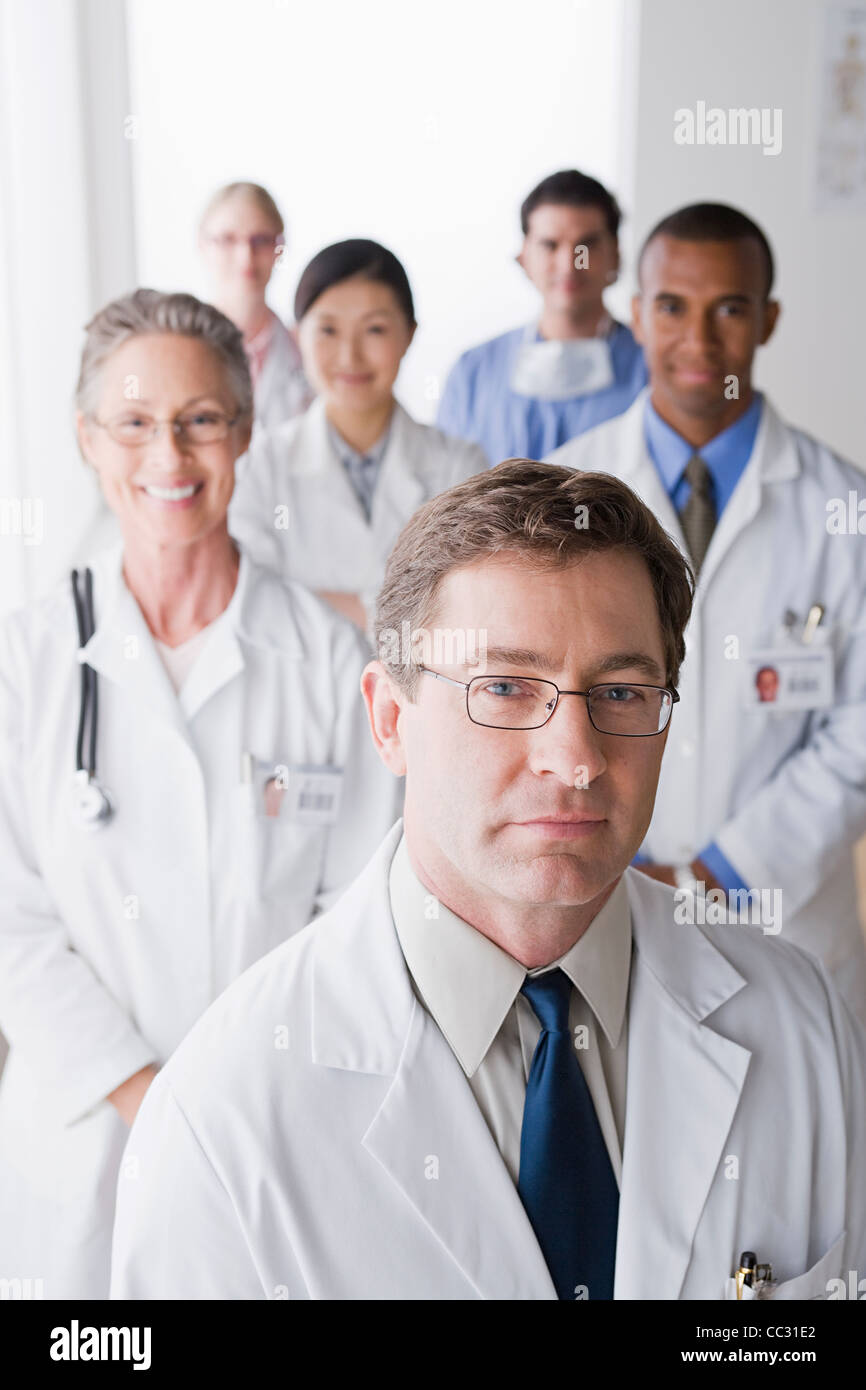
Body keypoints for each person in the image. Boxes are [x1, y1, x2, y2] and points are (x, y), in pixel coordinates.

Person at [111, 462, 866, 1301]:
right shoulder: (223, 1118)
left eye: (620, 691)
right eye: (505, 688)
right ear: (391, 721)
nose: (576, 758)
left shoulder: (801, 1024)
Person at [0, 289, 398, 1299]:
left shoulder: (324, 659)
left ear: (247, 431)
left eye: (200, 421)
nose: (168, 457)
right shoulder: (27, 660)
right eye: (133, 423)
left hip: (271, 1131)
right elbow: (14, 925)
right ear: (89, 439)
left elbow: (354, 917)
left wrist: (223, 1099)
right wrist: (149, 1094)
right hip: (82, 1143)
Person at [547, 203, 866, 1026]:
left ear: (768, 319)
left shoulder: (843, 510)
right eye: (672, 307)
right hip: (601, 903)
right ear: (635, 316)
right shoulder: (561, 494)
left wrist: (715, 875)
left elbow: (858, 733)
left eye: (729, 307)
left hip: (787, 921)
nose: (700, 339)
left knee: (802, 1143)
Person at [229, 239, 488, 632]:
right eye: (328, 329)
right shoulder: (259, 465)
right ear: (298, 336)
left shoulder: (460, 467)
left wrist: (319, 603)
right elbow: (253, 602)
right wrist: (397, 615)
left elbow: (470, 608)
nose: (350, 356)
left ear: (409, 334)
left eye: (375, 329)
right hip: (298, 692)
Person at [436, 170, 647, 463]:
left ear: (616, 255)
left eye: (587, 245)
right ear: (523, 257)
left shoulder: (652, 370)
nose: (569, 264)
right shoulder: (474, 373)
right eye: (550, 245)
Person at [199, 181, 312, 434]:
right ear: (202, 245)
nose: (245, 256)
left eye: (260, 240)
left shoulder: (306, 350)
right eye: (228, 240)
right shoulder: (179, 348)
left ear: (279, 248)